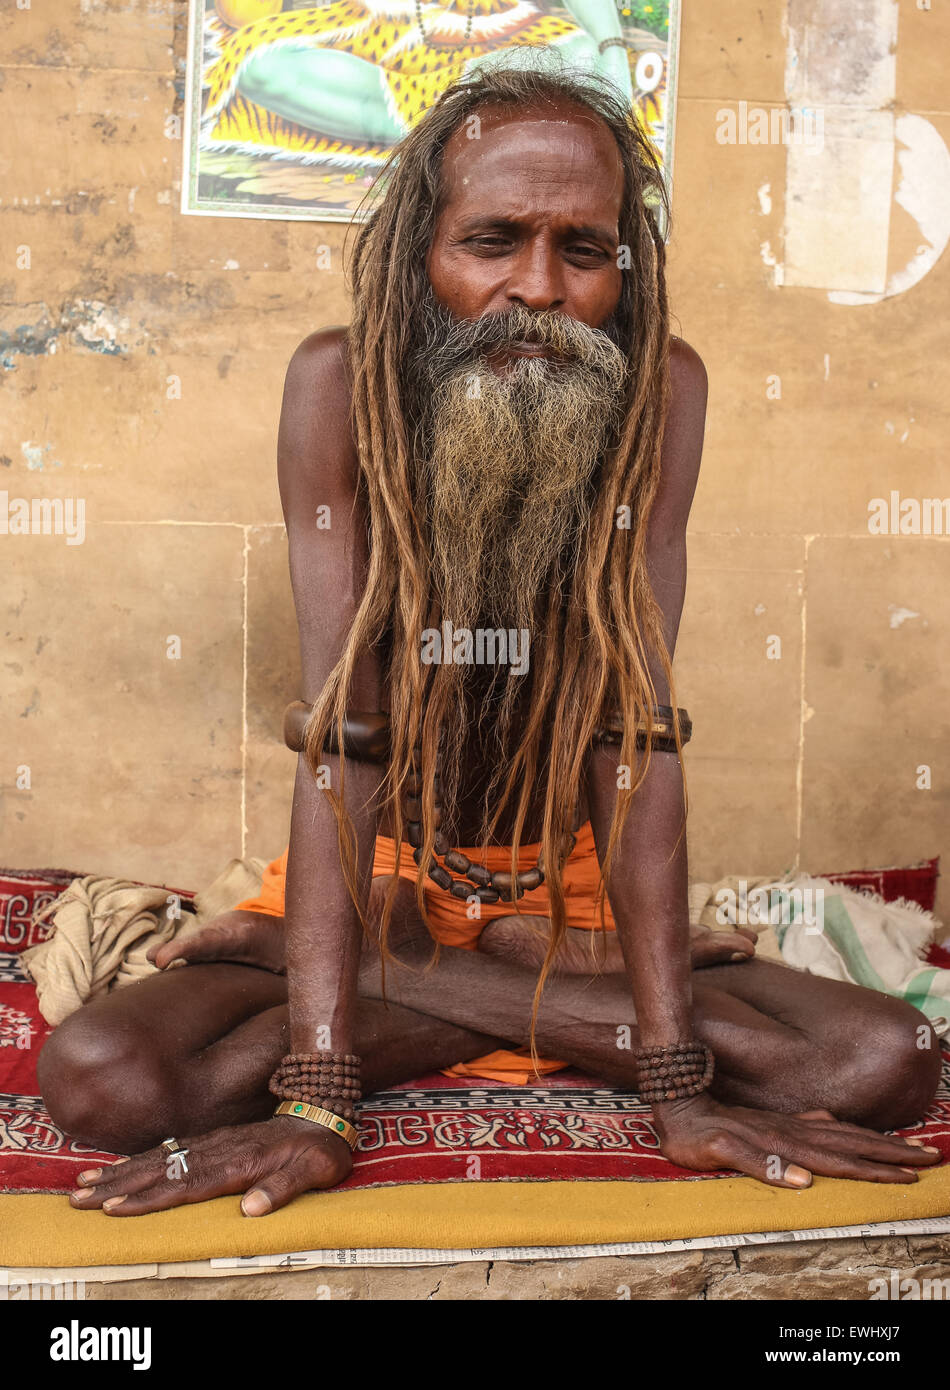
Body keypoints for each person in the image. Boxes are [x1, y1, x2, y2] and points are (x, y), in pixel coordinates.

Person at [39, 65, 941, 1220]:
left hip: (570, 900)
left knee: (885, 1059)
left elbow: (637, 736)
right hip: (374, 873)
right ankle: (436, 965)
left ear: (626, 264)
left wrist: (677, 1086)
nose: (538, 288)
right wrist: (314, 1097)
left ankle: (419, 973)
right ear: (422, 249)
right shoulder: (339, 387)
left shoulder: (657, 392)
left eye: (584, 250)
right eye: (493, 241)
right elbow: (341, 735)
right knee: (102, 1078)